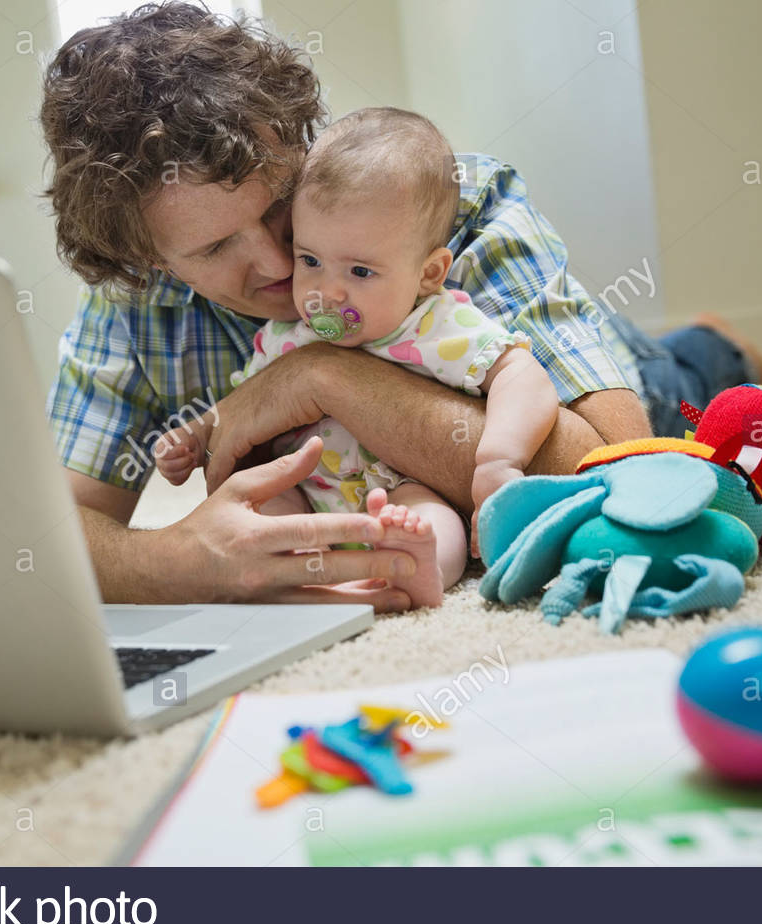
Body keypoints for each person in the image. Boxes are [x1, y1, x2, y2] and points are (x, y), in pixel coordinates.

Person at [38, 2, 762, 612]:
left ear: (299, 146)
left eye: (279, 209)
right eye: (214, 250)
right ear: (148, 261)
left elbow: (603, 474)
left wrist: (321, 376)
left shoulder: (456, 202)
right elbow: (55, 537)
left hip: (628, 379)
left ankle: (712, 342)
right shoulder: (132, 298)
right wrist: (177, 559)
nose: (275, 264)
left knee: (687, 382)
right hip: (432, 444)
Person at [153, 107, 559, 607]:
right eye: (311, 261)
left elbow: (521, 373)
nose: (328, 292)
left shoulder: (433, 324)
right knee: (267, 507)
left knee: (429, 519)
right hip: (309, 488)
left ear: (429, 273)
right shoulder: (285, 335)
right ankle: (310, 582)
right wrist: (193, 438)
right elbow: (241, 406)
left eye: (361, 272)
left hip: (403, 483)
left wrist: (500, 458)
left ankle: (415, 567)